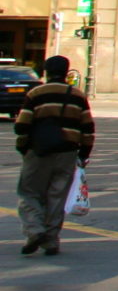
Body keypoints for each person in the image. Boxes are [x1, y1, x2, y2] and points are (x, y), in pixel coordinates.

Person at [14, 54, 93, 256]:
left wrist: (23, 148)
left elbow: (22, 125)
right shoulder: (77, 95)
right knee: (57, 196)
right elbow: (88, 128)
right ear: (67, 73)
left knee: (29, 192)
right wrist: (83, 154)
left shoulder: (36, 94)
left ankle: (35, 230)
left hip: (39, 151)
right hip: (67, 152)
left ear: (46, 72)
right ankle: (51, 240)